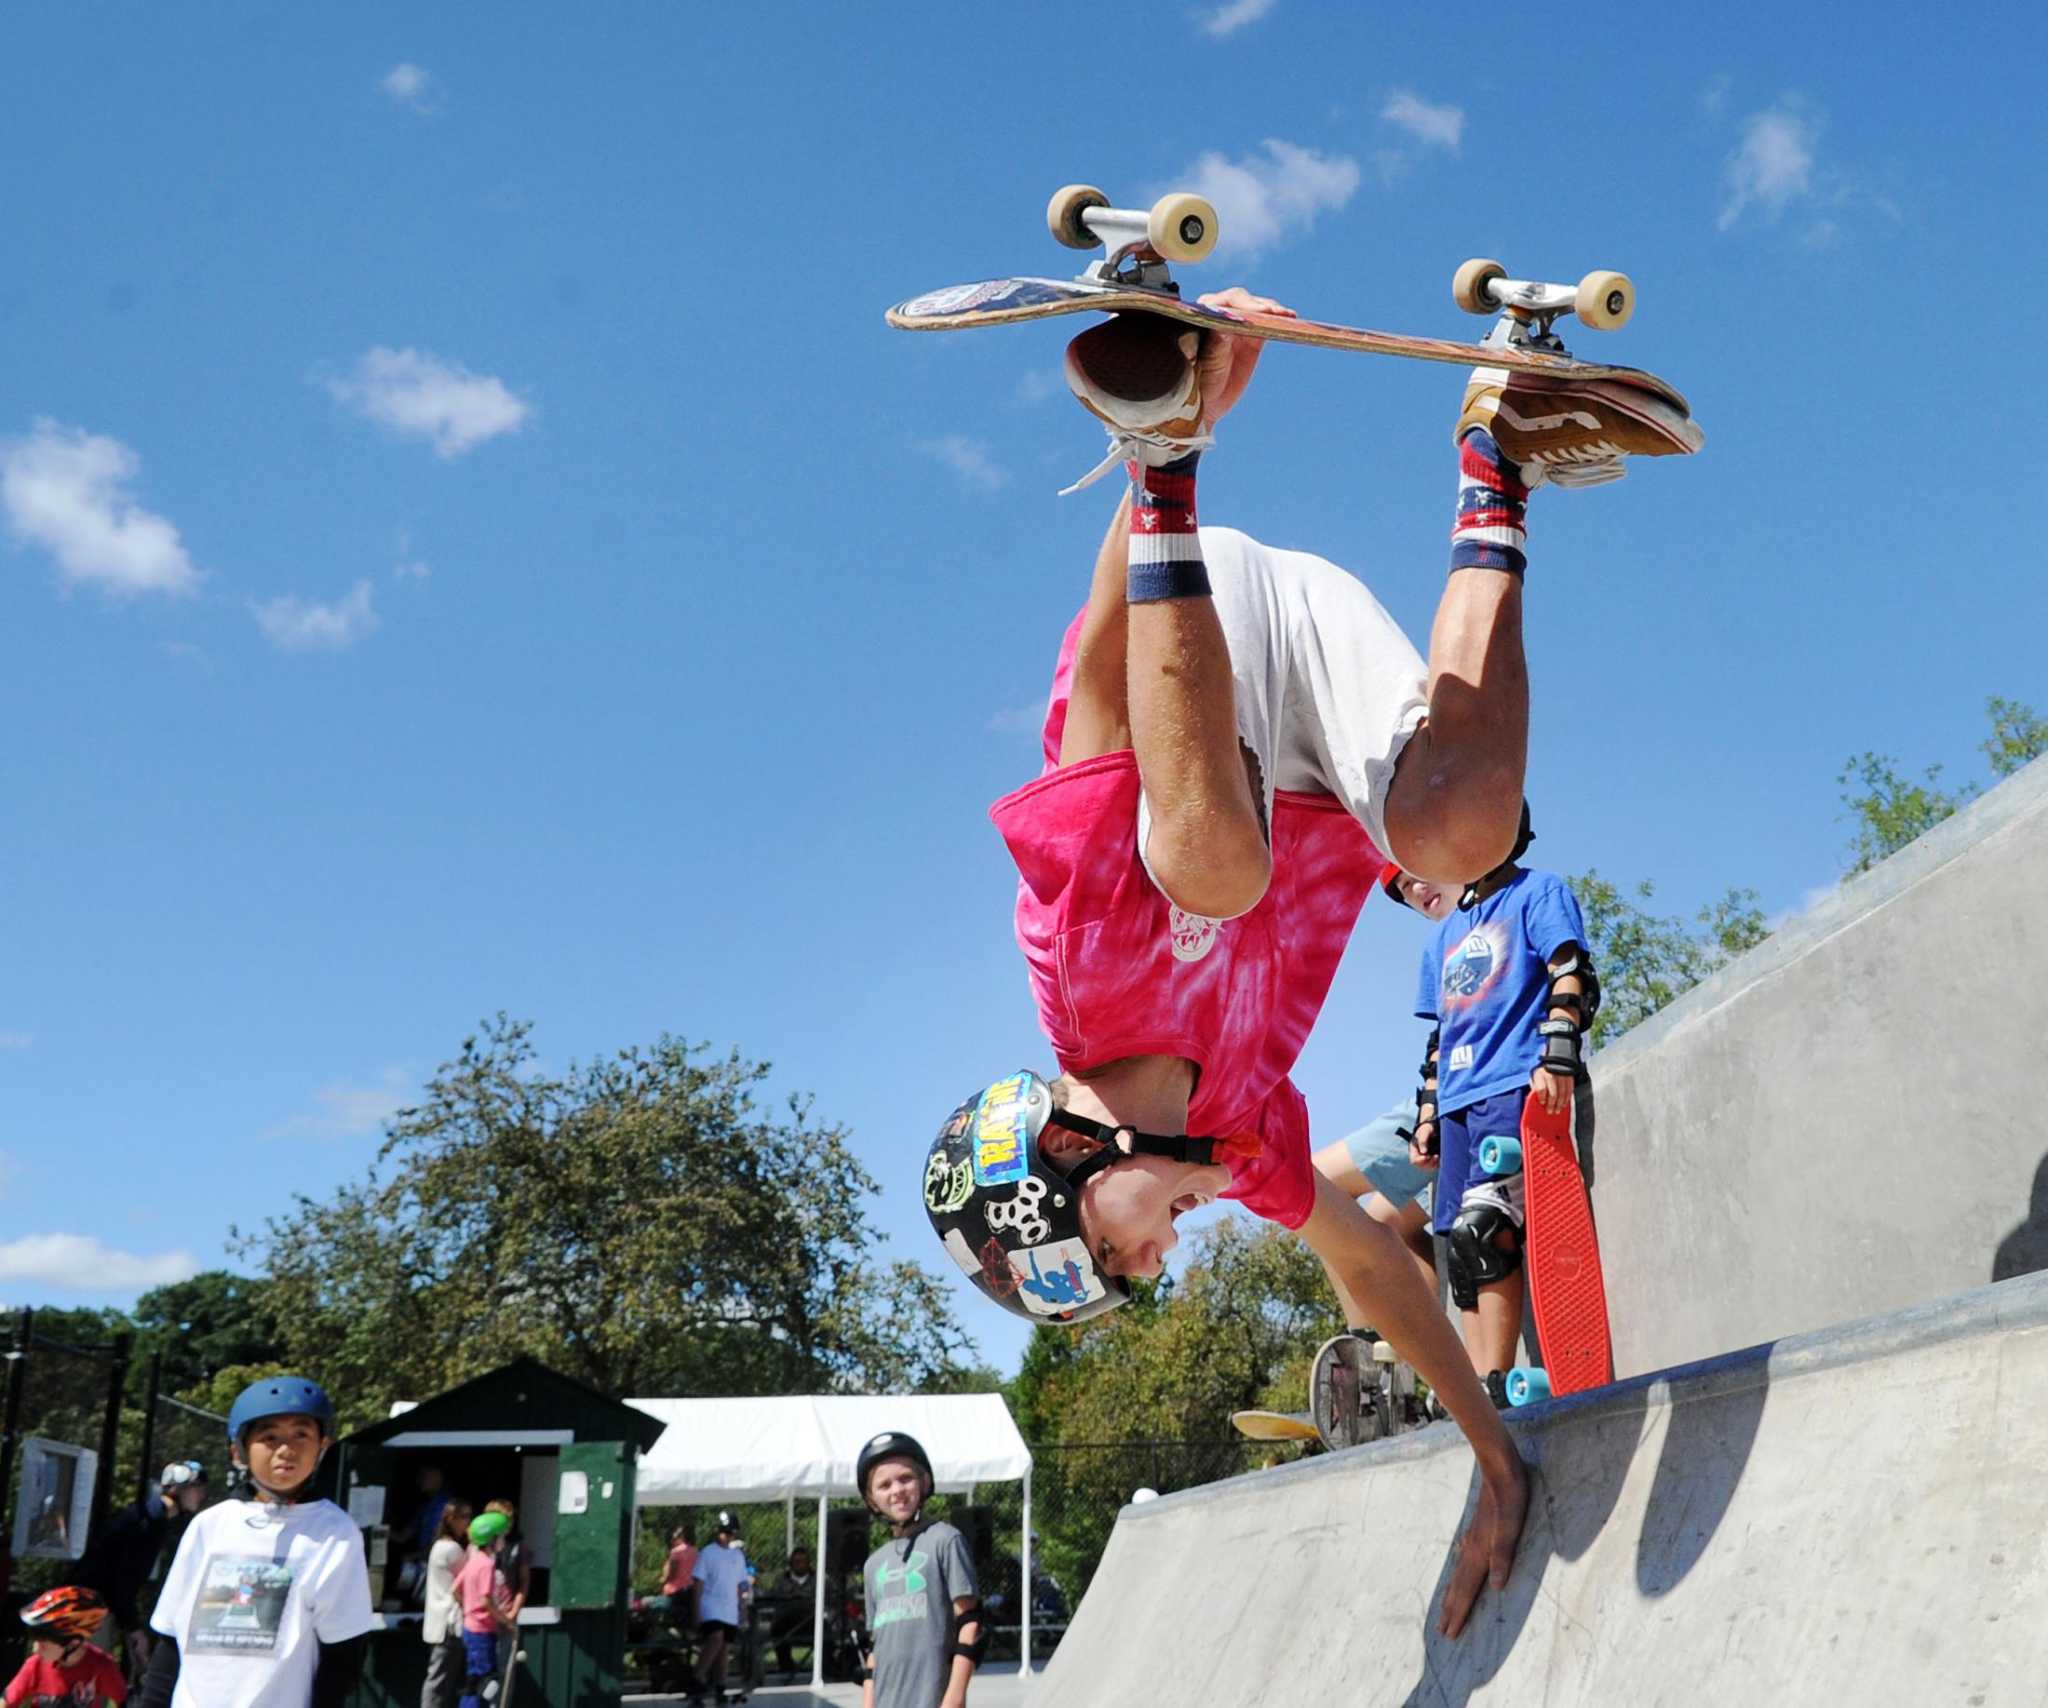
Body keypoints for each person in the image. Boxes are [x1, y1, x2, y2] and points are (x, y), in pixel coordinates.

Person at [922, 293, 1698, 1637]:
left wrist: (1163, 447)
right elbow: (1374, 1270)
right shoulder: (1248, 1141)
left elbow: (1100, 686)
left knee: (1210, 871)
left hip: (1191, 633)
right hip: (1314, 740)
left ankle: (1164, 457)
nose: (1157, 1265)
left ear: (1059, 1171)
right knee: (1467, 837)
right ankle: (1496, 454)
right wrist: (1491, 1453)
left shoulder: (1074, 970)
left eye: (1119, 1255)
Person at [1404, 819, 1600, 1396]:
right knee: (1459, 1255)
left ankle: (1495, 1384)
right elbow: (1442, 1035)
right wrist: (1426, 1116)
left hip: (1511, 1082)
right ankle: (1478, 1386)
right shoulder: (1441, 938)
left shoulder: (1537, 892)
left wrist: (1558, 1052)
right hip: (1458, 1102)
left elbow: (1570, 973)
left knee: (1484, 1228)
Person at [138, 1375, 375, 1708]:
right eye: (269, 1437)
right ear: (238, 1451)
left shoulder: (335, 1533)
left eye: (301, 1435)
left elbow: (342, 1657)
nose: (285, 1450)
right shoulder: (210, 1525)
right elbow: (171, 1641)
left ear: (322, 1445)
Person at [1312, 867, 1462, 1305]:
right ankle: (1427, 1339)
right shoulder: (1448, 942)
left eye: (1418, 874)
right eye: (1402, 888)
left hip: (1464, 1100)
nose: (1415, 890)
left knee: (1313, 1183)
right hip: (1442, 1105)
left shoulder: (1495, 918)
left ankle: (1362, 1347)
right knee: (1384, 1220)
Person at [855, 1433, 981, 1708]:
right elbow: (874, 1649)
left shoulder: (946, 1540)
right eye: (884, 1485)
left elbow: (969, 1624)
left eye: (905, 1479)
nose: (896, 1490)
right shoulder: (874, 1565)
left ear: (924, 1482)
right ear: (871, 1498)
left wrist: (954, 1698)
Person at [69, 1461, 210, 1676]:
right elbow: (123, 1580)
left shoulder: (153, 1519)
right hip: (89, 1610)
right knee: (87, 1680)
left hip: (95, 1606)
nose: (201, 1495)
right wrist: (133, 1628)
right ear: (176, 1489)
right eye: (196, 1488)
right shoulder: (147, 1523)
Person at [8, 1586, 127, 1706]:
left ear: (72, 1644)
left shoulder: (102, 1665)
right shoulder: (35, 1665)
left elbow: (123, 1701)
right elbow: (6, 1701)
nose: (35, 1649)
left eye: (43, 1644)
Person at [450, 1513, 514, 1708]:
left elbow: (455, 1589)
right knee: (483, 1683)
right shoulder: (486, 1564)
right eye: (501, 1537)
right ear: (492, 1539)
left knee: (475, 1679)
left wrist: (468, 1610)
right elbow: (486, 1601)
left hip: (471, 1629)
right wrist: (505, 1621)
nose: (504, 1541)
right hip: (482, 1631)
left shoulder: (473, 1560)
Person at [689, 1513, 750, 1706]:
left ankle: (719, 1685)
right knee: (716, 1638)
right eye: (724, 1532)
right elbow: (698, 1583)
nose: (726, 1536)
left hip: (729, 1607)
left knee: (724, 1647)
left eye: (730, 1533)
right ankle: (697, 1679)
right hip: (711, 1605)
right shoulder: (708, 1553)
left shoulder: (737, 1556)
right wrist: (696, 1610)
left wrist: (743, 1607)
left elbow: (741, 1584)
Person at [418, 1498, 473, 1708]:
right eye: (464, 1517)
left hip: (440, 1624)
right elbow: (467, 1583)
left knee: (442, 1679)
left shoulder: (439, 1546)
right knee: (439, 1680)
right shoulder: (452, 1550)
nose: (469, 1522)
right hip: (449, 1624)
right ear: (451, 1519)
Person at [481, 1501, 529, 1678]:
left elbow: (524, 1582)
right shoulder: (479, 1547)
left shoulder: (518, 1546)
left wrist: (513, 1612)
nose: (509, 1524)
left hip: (506, 1614)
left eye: (511, 1519)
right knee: (482, 1672)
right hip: (483, 1617)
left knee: (504, 1671)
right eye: (504, 1520)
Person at [766, 1545, 815, 1680]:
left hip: (810, 1621)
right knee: (777, 1629)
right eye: (796, 1562)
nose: (799, 1565)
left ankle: (827, 1667)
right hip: (787, 1622)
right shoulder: (782, 1580)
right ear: (791, 1564)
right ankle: (786, 1667)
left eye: (803, 1562)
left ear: (808, 1563)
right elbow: (772, 1597)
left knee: (826, 1628)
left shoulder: (818, 1579)